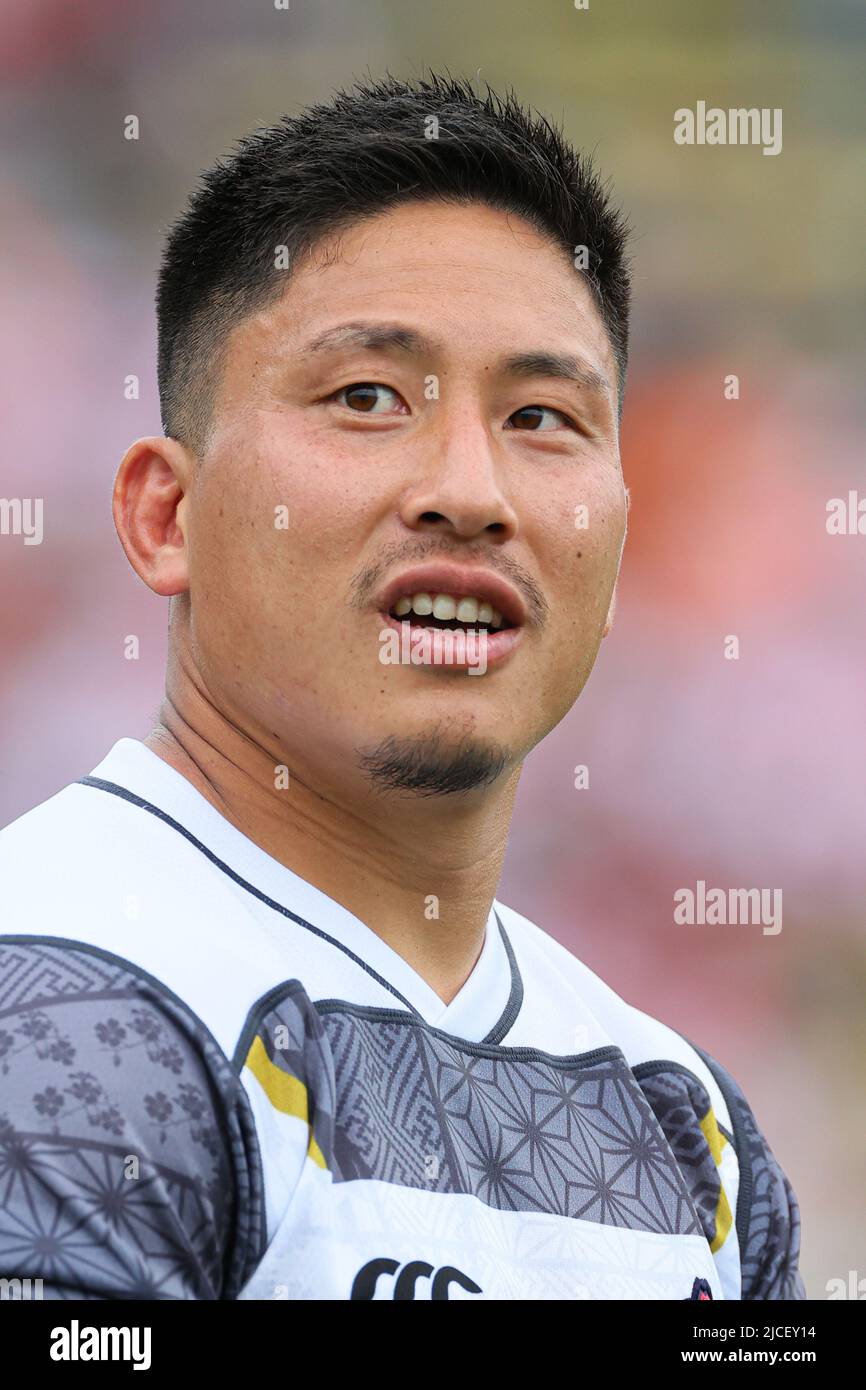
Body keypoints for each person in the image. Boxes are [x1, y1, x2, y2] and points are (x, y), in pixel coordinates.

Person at [0, 72, 805, 1301]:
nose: (470, 491)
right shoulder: (61, 1003)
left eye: (540, 416)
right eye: (367, 397)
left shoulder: (688, 1130)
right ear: (166, 515)